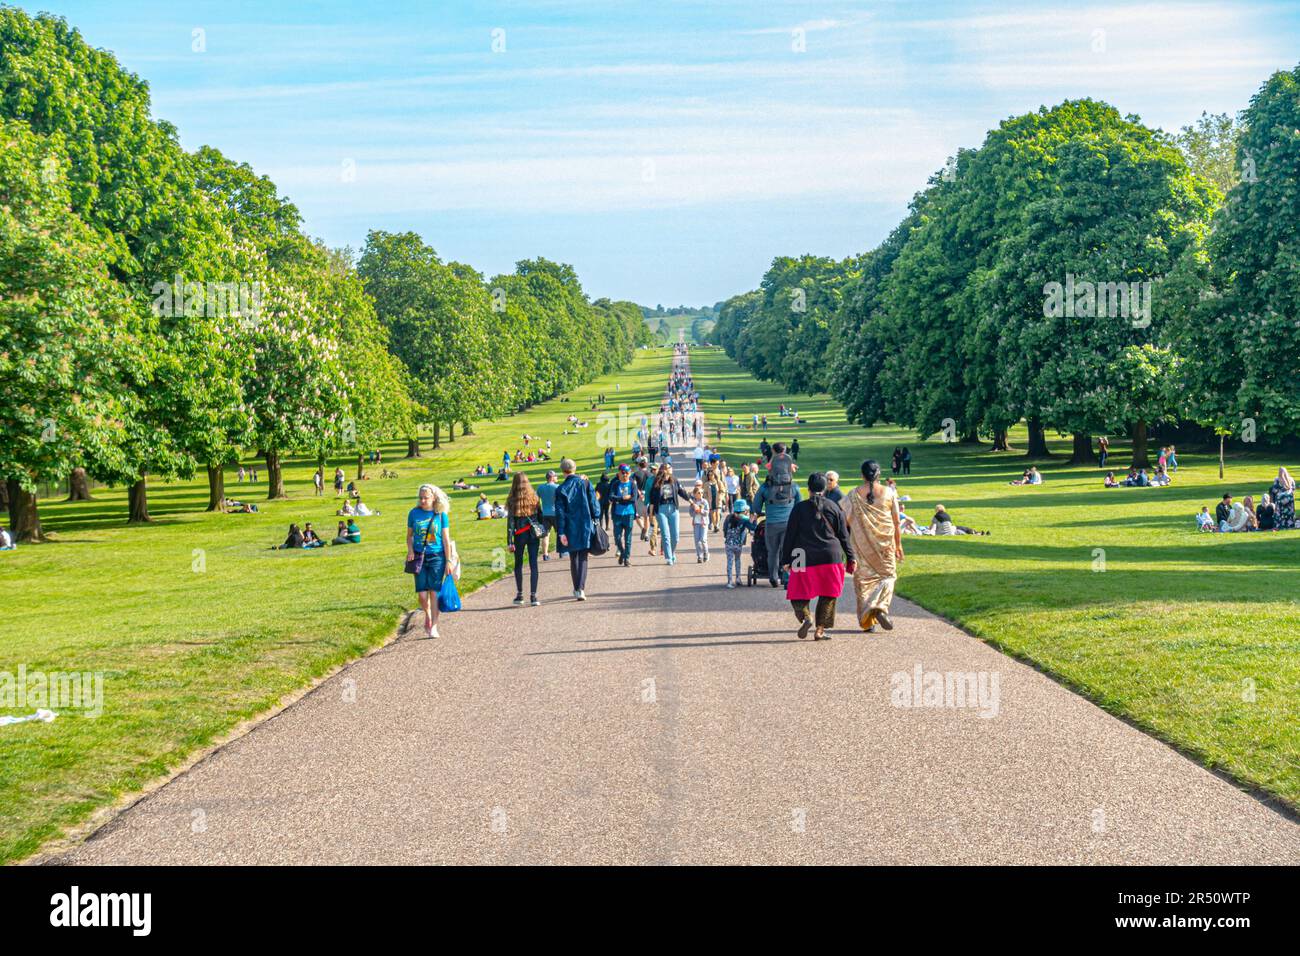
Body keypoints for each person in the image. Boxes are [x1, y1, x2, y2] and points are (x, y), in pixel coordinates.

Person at [781, 472, 853, 641]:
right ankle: (820, 630)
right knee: (829, 594)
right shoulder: (834, 507)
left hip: (801, 555)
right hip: (830, 554)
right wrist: (851, 557)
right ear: (824, 488)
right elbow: (844, 535)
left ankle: (806, 616)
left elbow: (790, 535)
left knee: (797, 592)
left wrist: (785, 560)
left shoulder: (799, 508)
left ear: (808, 489)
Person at [841, 459, 903, 633]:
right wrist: (898, 545)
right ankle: (880, 606)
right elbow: (897, 521)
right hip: (885, 546)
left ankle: (868, 621)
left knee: (863, 582)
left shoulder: (853, 495)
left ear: (862, 475)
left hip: (860, 546)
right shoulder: (889, 492)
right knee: (889, 576)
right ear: (879, 475)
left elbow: (843, 519)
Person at [407, 484, 453, 638]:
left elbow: (446, 540)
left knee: (434, 592)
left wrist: (448, 561)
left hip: (437, 557)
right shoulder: (413, 513)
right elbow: (409, 536)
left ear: (433, 498)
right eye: (420, 497)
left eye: (425, 497)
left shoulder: (441, 515)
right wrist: (410, 550)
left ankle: (434, 626)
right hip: (419, 557)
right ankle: (427, 615)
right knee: (421, 595)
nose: (422, 500)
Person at [555, 458, 600, 600]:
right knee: (583, 557)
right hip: (585, 523)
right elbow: (594, 503)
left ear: (563, 471)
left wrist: (561, 531)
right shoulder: (585, 483)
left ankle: (577, 588)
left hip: (570, 526)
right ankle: (580, 588)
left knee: (574, 557)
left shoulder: (561, 489)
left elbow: (560, 513)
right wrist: (596, 517)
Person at [753, 470, 802, 588]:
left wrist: (762, 512)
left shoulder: (765, 487)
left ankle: (773, 578)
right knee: (787, 551)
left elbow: (756, 506)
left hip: (771, 524)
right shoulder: (794, 487)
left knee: (772, 552)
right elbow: (799, 504)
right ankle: (786, 578)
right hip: (788, 524)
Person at [505, 472, 545, 606]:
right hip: (533, 533)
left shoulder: (512, 499)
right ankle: (534, 596)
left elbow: (510, 523)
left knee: (519, 564)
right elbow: (540, 517)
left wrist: (509, 541)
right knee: (534, 563)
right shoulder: (534, 497)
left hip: (519, 534)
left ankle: (520, 594)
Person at [648, 462, 692, 565]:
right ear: (664, 470)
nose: (671, 469)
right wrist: (651, 514)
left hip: (673, 509)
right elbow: (652, 499)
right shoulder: (657, 483)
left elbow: (682, 492)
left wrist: (692, 503)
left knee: (675, 536)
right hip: (661, 510)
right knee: (665, 534)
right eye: (669, 467)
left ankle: (671, 553)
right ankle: (668, 557)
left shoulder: (674, 480)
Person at [722, 499, 757, 588]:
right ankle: (738, 578)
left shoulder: (728, 517)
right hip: (738, 544)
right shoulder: (744, 520)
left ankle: (729, 581)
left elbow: (725, 529)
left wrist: (727, 537)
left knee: (729, 562)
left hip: (728, 544)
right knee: (737, 560)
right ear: (744, 511)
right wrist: (754, 520)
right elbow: (753, 528)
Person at [609, 464, 639, 566]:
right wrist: (623, 498)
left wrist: (623, 499)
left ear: (629, 473)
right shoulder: (615, 484)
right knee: (617, 538)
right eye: (622, 472)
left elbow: (634, 498)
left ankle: (626, 559)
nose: (624, 474)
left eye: (626, 472)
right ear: (618, 473)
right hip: (617, 514)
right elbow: (611, 496)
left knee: (628, 538)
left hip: (629, 514)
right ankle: (622, 552)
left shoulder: (632, 484)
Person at [537, 470, 559, 560]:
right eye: (556, 476)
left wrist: (540, 510)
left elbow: (536, 500)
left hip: (545, 514)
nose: (557, 477)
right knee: (560, 533)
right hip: (556, 513)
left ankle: (545, 554)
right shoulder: (557, 487)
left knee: (545, 535)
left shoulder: (540, 488)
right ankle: (561, 551)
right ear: (552, 478)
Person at [689, 485, 710, 562]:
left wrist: (701, 511)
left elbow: (707, 512)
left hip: (703, 523)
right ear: (695, 494)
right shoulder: (693, 503)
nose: (700, 494)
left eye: (701, 493)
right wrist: (695, 511)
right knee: (697, 540)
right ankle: (699, 556)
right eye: (699, 493)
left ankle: (706, 553)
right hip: (696, 523)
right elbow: (690, 513)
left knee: (703, 539)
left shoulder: (704, 502)